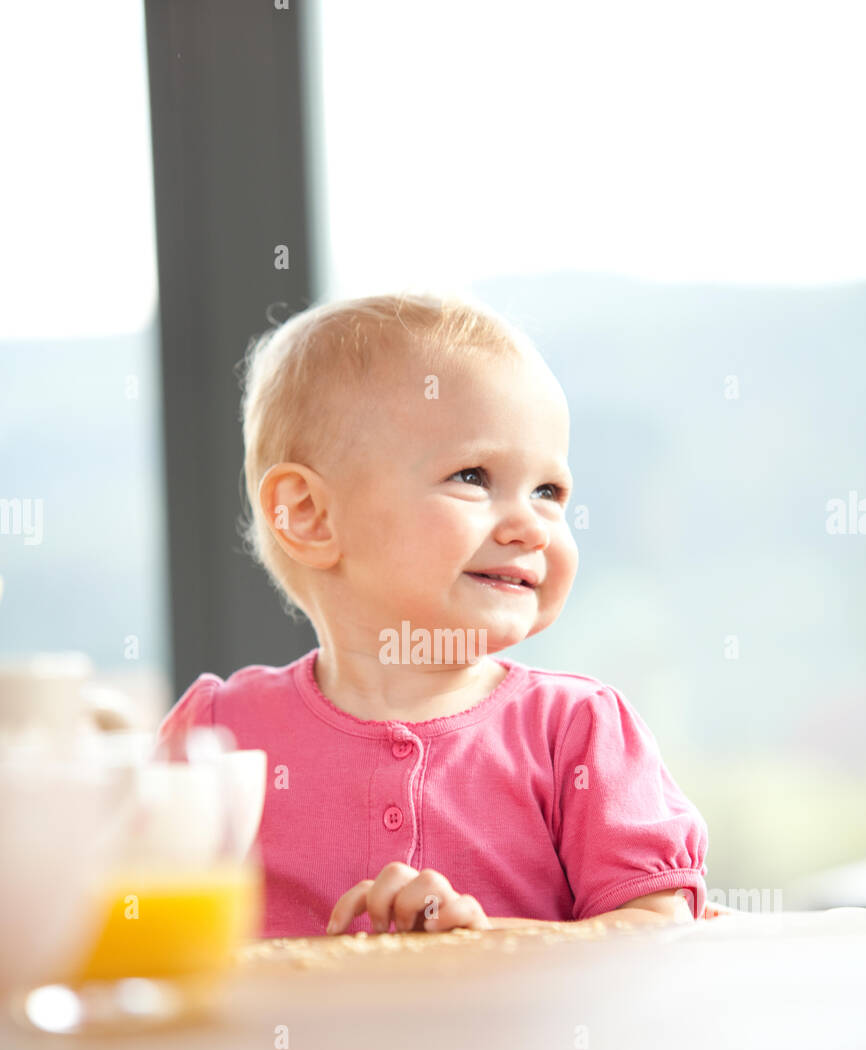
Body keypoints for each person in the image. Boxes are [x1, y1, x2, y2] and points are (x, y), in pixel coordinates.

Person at [156, 291, 710, 937]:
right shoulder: (217, 734)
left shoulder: (579, 733)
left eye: (548, 491)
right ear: (307, 514)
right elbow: (135, 928)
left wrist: (488, 940)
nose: (533, 525)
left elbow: (658, 937)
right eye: (473, 476)